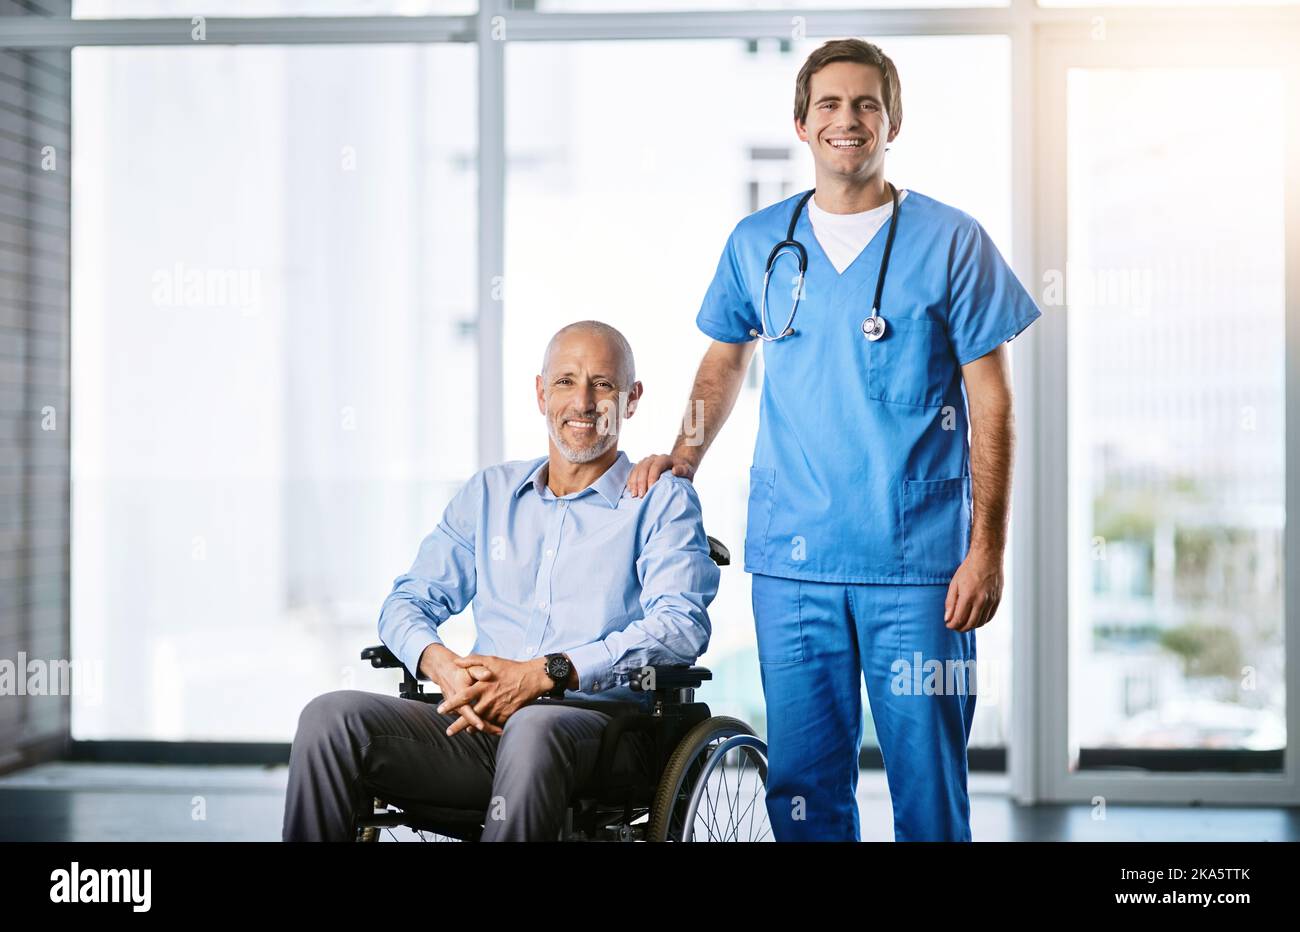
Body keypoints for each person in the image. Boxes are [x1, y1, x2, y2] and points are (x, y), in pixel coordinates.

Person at [626, 38, 1042, 841]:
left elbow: (992, 403)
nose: (847, 120)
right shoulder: (759, 242)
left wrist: (986, 549)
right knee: (805, 789)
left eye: (865, 105)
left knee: (930, 786)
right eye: (829, 104)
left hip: (922, 567)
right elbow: (725, 357)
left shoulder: (954, 241)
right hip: (795, 564)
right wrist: (683, 456)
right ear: (800, 122)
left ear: (892, 122)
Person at [283, 321, 720, 841]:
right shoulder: (490, 493)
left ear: (631, 400)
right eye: (565, 381)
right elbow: (406, 602)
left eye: (602, 384)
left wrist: (548, 672)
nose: (582, 401)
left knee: (535, 728)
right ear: (540, 393)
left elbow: (679, 627)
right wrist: (440, 664)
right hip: (480, 728)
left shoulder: (660, 500)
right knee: (329, 718)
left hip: (601, 731)